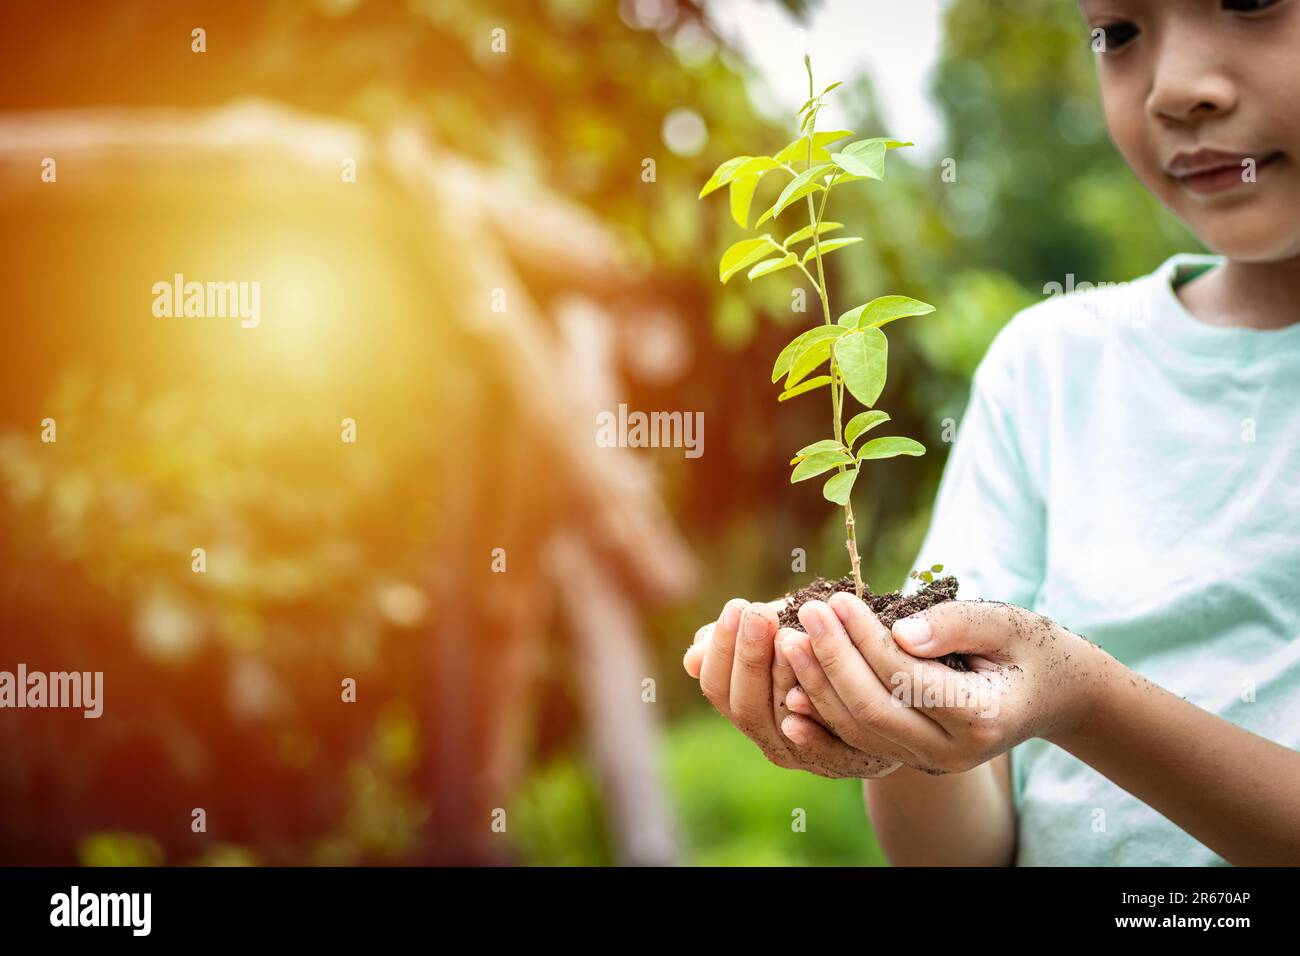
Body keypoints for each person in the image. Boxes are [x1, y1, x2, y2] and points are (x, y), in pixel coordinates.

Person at [684, 0, 1300, 865]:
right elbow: (963, 851)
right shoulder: (1050, 366)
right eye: (1117, 32)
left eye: (1248, 2)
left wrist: (1079, 701)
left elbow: (1056, 695)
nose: (1173, 89)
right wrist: (888, 723)